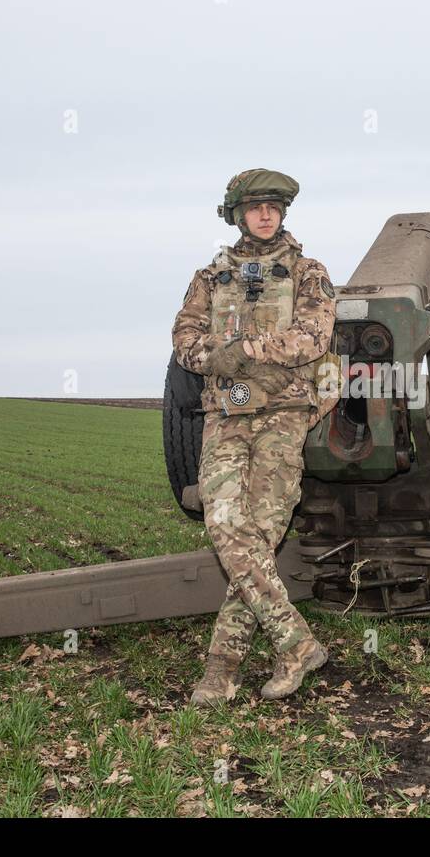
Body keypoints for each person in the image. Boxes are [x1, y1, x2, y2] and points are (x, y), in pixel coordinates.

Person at [171, 169, 337, 705]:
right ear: (237, 213)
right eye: (255, 207)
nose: (265, 215)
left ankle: (221, 666)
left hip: (284, 412)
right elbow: (184, 339)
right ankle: (297, 643)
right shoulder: (210, 277)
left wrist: (246, 353)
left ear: (283, 213)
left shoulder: (309, 272)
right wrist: (210, 357)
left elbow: (314, 336)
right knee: (225, 523)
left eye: (274, 207)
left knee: (259, 537)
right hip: (226, 412)